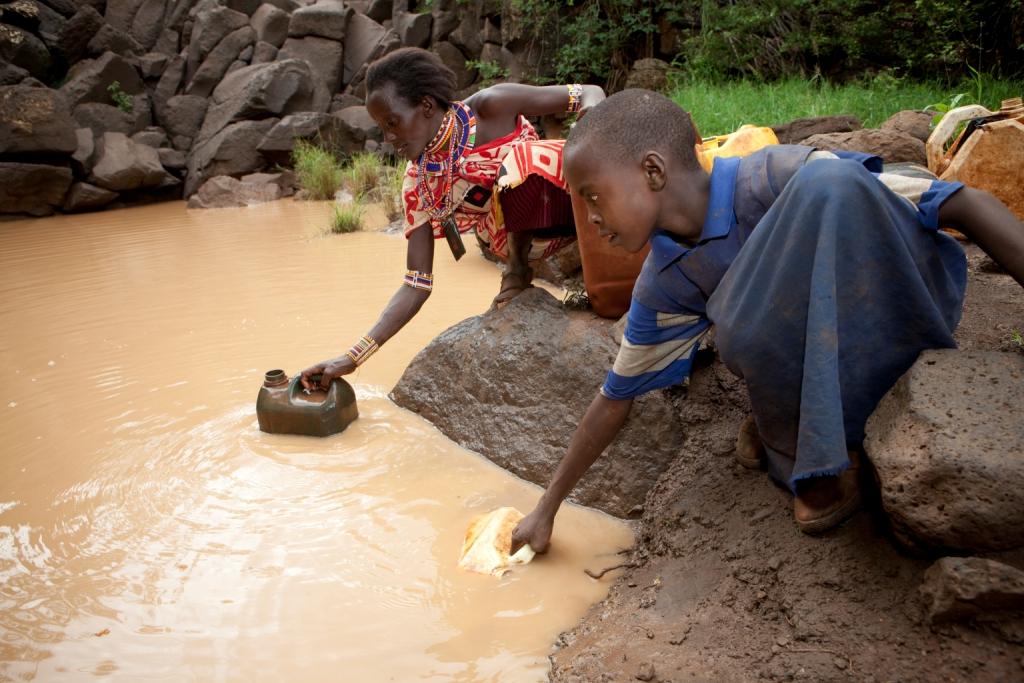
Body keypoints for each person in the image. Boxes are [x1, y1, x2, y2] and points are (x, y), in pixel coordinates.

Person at [511, 89, 1024, 551]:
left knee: (822, 194)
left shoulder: (776, 176)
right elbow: (614, 397)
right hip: (830, 353)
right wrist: (546, 508)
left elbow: (964, 203)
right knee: (747, 316)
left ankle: (809, 449)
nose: (591, 219)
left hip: (896, 311)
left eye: (593, 197)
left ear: (652, 171)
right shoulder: (668, 278)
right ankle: (813, 442)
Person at [300, 48, 604, 388]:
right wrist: (352, 357)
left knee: (524, 160)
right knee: (517, 171)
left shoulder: (492, 104)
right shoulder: (417, 183)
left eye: (392, 122)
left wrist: (589, 140)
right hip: (516, 240)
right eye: (381, 128)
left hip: (571, 197)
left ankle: (608, 252)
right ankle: (517, 271)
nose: (388, 138)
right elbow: (416, 284)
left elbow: (591, 93)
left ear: (427, 106)